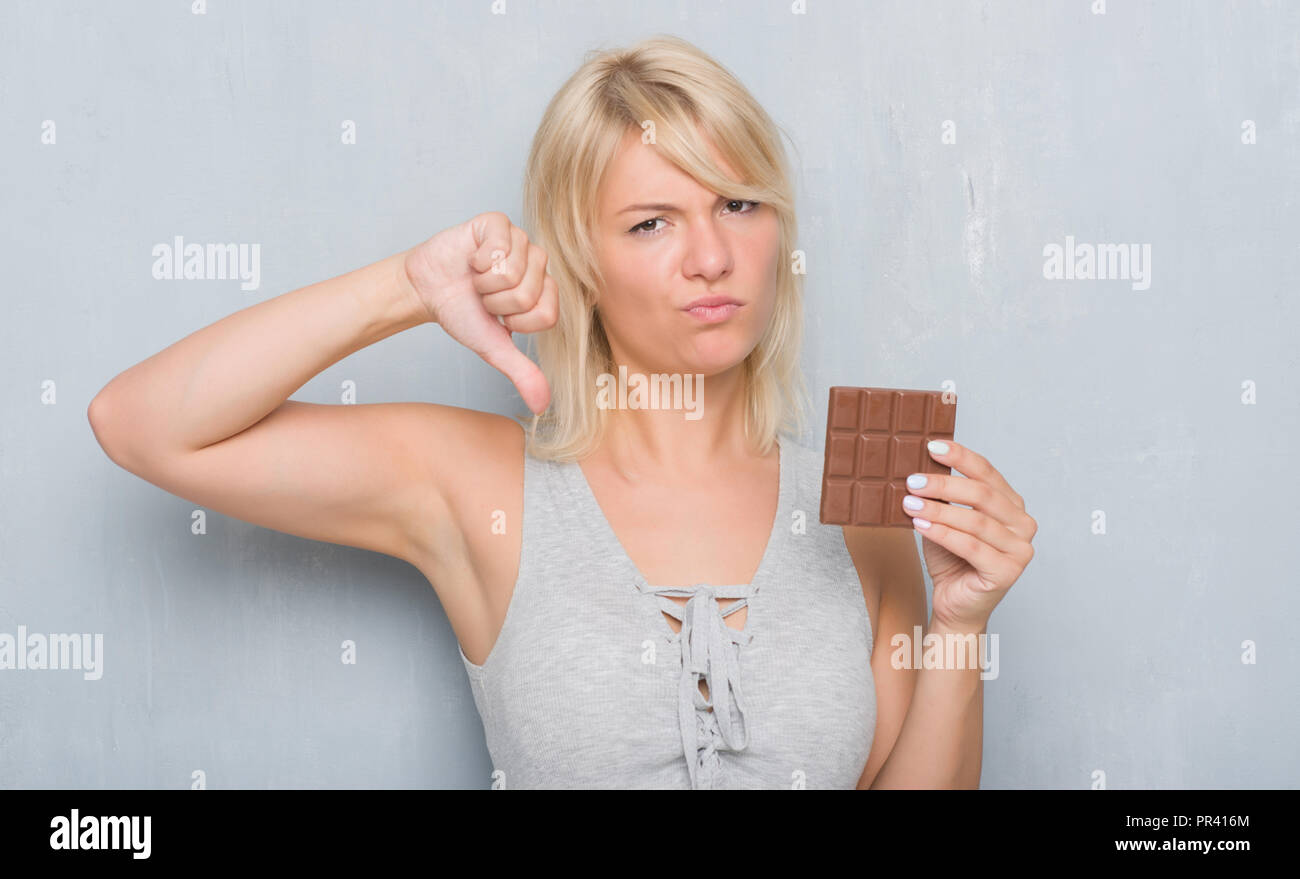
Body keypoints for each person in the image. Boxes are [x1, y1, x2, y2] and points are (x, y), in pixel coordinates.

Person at [88, 34, 1037, 789]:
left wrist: (960, 624)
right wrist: (409, 286)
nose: (711, 255)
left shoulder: (860, 511)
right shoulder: (478, 486)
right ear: (581, 261)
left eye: (739, 204)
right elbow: (141, 423)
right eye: (651, 222)